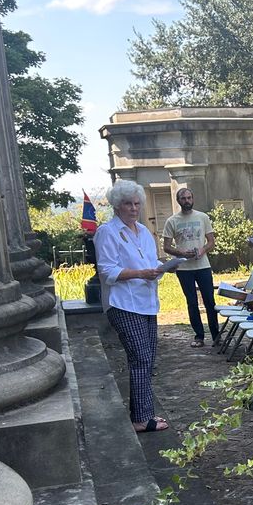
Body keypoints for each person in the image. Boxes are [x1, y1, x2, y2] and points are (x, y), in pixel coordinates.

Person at [95, 180, 168, 433]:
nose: (134, 208)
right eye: (128, 203)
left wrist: (161, 269)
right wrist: (140, 273)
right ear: (117, 206)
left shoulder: (144, 232)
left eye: (137, 203)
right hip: (123, 303)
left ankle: (145, 412)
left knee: (148, 359)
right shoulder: (108, 231)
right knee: (140, 357)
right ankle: (140, 417)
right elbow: (106, 271)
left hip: (147, 302)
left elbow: (151, 263)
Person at [161, 187, 219, 347]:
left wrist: (203, 249)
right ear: (178, 201)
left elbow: (211, 242)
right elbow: (166, 247)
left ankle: (216, 335)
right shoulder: (172, 221)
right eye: (183, 198)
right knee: (192, 302)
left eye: (189, 198)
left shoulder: (203, 217)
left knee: (209, 300)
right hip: (184, 268)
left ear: (193, 199)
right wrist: (181, 252)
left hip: (203, 265)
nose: (187, 201)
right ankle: (199, 336)